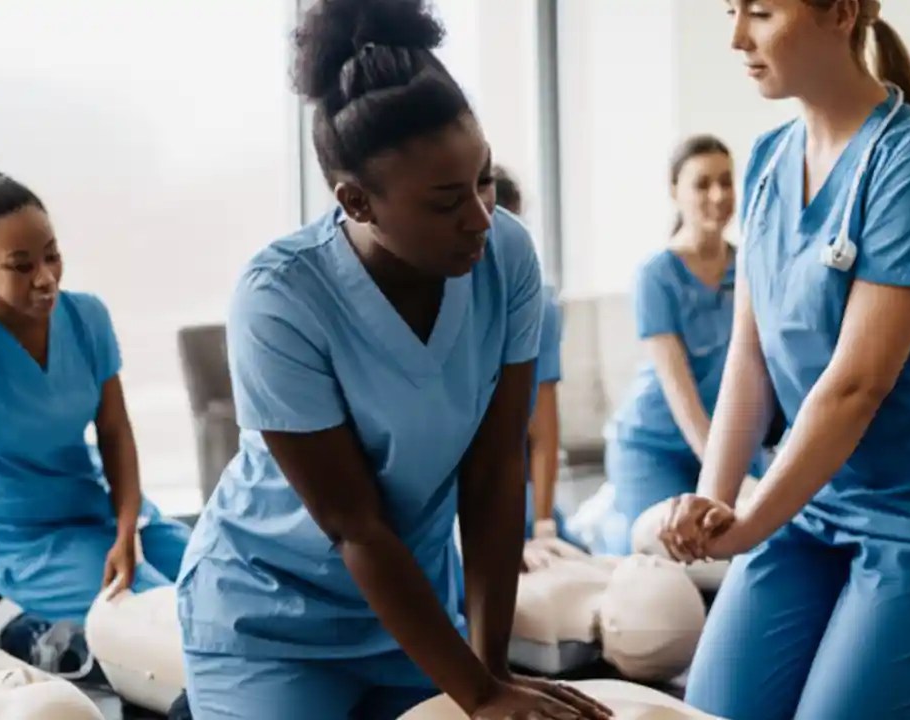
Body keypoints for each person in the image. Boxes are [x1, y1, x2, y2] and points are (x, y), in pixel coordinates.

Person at [174, 2, 610, 719]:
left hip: (412, 614)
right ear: (356, 201)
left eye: (484, 180)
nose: (480, 216)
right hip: (271, 617)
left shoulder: (506, 254)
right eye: (445, 202)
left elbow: (494, 471)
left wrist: (491, 672)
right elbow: (355, 524)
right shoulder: (279, 298)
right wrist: (478, 694)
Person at [661, 2, 910, 717]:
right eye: (731, 10)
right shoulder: (767, 160)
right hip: (814, 497)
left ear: (842, 13)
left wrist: (749, 524)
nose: (737, 37)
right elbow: (750, 357)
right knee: (715, 710)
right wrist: (716, 499)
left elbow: (856, 385)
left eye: (761, 11)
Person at [0, 161, 189, 636]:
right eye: (22, 266)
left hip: (105, 513)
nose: (45, 278)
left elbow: (114, 431)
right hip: (29, 546)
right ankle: (27, 623)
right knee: (164, 616)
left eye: (52, 256)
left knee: (223, 575)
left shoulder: (87, 318)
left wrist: (127, 530)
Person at [598, 134, 765, 555]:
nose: (719, 195)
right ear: (675, 192)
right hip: (655, 446)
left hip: (728, 438)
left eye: (726, 181)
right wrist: (727, 476)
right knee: (667, 553)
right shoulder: (656, 275)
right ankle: (604, 527)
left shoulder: (751, 265)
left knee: (760, 543)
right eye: (702, 184)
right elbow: (680, 392)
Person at [491, 164, 579, 551]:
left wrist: (544, 526)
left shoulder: (537, 306)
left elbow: (542, 431)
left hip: (512, 479)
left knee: (565, 553)